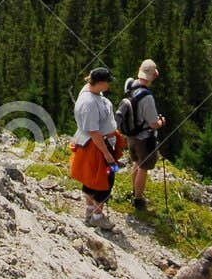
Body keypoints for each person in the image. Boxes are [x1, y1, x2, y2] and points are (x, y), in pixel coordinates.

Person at [70, 66, 124, 229]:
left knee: (90, 178)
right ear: (99, 83)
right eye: (107, 82)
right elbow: (94, 132)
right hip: (96, 146)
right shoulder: (89, 103)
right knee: (106, 179)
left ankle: (90, 210)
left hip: (90, 144)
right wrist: (108, 155)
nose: (109, 86)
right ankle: (97, 216)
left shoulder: (89, 92)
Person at [121, 58, 165, 210]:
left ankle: (134, 192)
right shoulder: (147, 97)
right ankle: (138, 199)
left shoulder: (130, 86)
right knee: (143, 167)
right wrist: (161, 123)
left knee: (136, 162)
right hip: (144, 139)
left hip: (131, 136)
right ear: (152, 76)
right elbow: (153, 123)